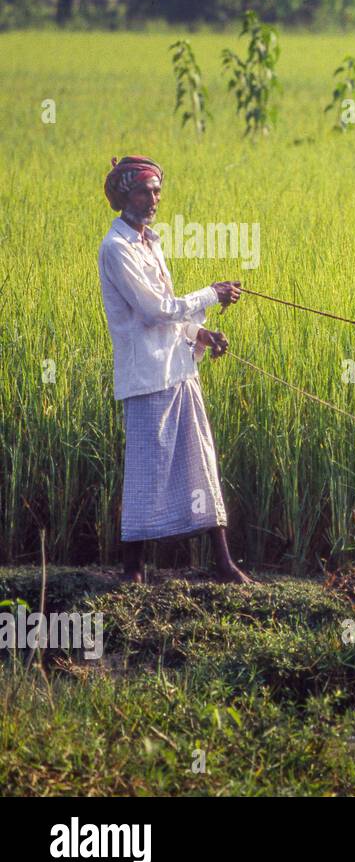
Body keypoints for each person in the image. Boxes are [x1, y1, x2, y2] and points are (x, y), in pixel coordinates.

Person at [97, 156, 251, 584]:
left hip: (179, 369)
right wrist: (210, 294)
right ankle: (133, 571)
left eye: (157, 190)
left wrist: (199, 334)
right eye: (145, 190)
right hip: (147, 376)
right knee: (146, 470)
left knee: (201, 458)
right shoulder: (116, 249)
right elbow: (152, 310)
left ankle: (224, 564)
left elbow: (169, 311)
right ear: (123, 194)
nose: (154, 199)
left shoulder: (151, 242)